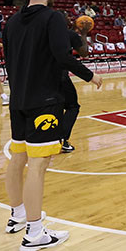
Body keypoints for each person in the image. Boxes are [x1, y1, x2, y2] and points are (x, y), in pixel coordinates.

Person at [2, 0, 103, 251]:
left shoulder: (11, 20)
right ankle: (34, 233)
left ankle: (18, 214)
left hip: (18, 99)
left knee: (18, 157)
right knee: (38, 165)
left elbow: (8, 60)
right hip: (43, 100)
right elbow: (62, 54)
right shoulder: (53, 17)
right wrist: (89, 75)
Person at [57, 12, 89, 154]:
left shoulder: (43, 33)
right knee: (72, 106)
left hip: (40, 76)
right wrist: (83, 34)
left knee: (53, 107)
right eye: (67, 17)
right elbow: (84, 53)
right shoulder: (70, 34)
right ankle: (62, 140)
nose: (70, 19)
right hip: (60, 75)